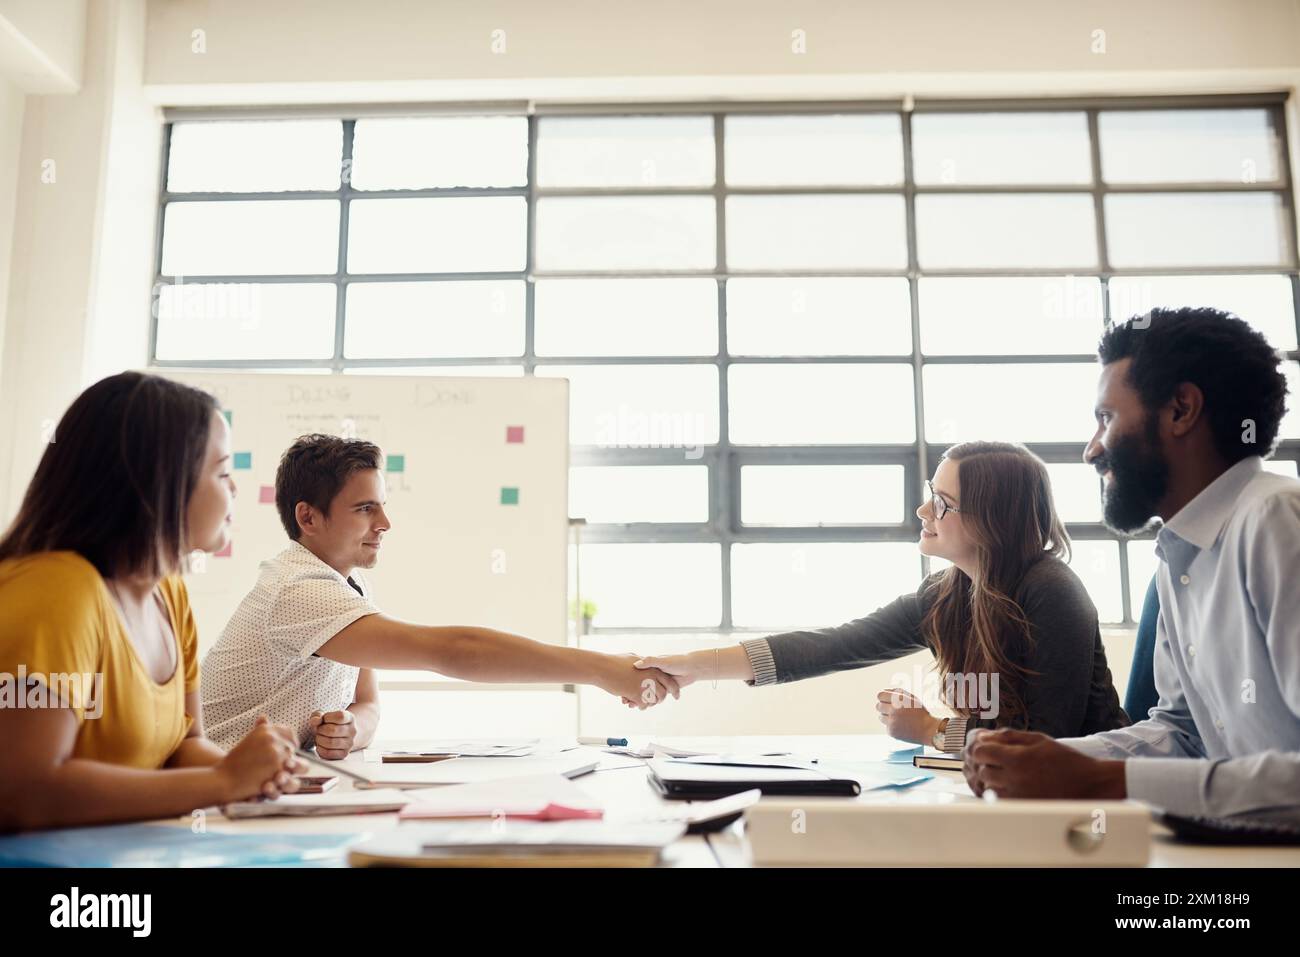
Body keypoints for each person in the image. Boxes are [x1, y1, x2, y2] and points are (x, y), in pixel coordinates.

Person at [963, 307, 1300, 822]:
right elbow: (1184, 734)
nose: (1091, 450)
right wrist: (1044, 758)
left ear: (1181, 410)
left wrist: (1102, 779)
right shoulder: (1177, 553)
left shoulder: (1274, 519)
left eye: (1106, 418)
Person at [201, 434, 679, 755]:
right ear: (308, 518)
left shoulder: (346, 583)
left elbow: (366, 701)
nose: (384, 524)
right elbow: (454, 651)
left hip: (273, 786)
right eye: (366, 509)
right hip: (211, 794)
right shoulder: (297, 590)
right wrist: (598, 668)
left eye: (382, 506)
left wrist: (352, 730)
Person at [634, 441, 1129, 751]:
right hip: (1010, 794)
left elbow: (1047, 746)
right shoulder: (946, 594)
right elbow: (837, 645)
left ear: (991, 518)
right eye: (929, 492)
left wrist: (932, 730)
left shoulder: (1052, 592)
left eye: (942, 503)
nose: (922, 509)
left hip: (1086, 804)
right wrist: (693, 666)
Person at [0, 372, 306, 831]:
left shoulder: (168, 593)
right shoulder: (58, 590)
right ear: (163, 481)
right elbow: (26, 793)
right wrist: (224, 780)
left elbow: (182, 747)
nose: (235, 489)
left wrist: (253, 770)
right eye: (222, 472)